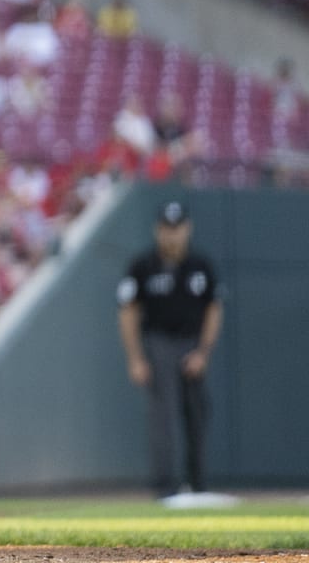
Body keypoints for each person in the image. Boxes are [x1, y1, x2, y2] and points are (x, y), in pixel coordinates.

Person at [118, 200, 223, 499]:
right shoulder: (143, 265)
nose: (172, 235)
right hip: (158, 342)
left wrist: (203, 351)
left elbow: (214, 309)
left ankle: (197, 483)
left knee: (197, 413)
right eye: (167, 228)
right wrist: (136, 357)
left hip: (191, 342)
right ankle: (164, 486)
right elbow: (127, 312)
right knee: (162, 415)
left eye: (177, 228)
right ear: (158, 230)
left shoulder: (200, 265)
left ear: (188, 229)